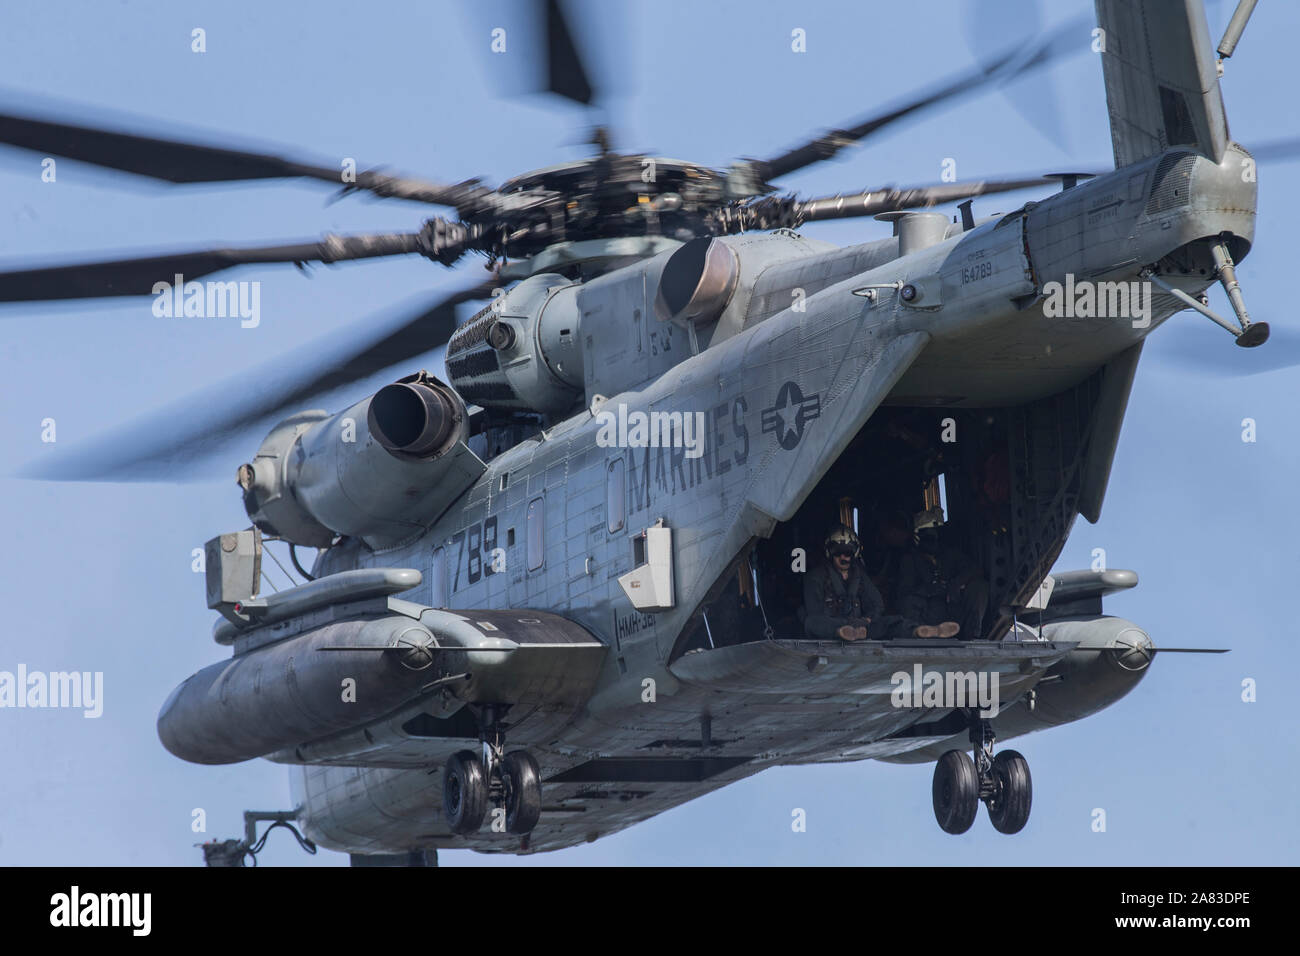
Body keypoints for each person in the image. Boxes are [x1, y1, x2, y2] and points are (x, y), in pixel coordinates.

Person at [803, 524, 959, 642]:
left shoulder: (859, 576)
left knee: (892, 622)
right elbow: (815, 611)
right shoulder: (816, 577)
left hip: (863, 627)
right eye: (838, 553)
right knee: (811, 622)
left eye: (848, 553)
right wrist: (846, 624)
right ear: (830, 553)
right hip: (833, 626)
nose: (843, 557)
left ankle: (921, 630)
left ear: (855, 553)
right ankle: (843, 633)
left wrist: (867, 620)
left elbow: (877, 604)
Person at [897, 509, 989, 641]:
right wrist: (933, 589)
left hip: (951, 614)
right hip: (926, 615)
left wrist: (956, 583)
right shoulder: (910, 560)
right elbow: (905, 592)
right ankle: (919, 636)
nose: (933, 540)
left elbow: (975, 569)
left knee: (979, 587)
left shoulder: (950, 555)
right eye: (928, 536)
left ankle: (972, 636)